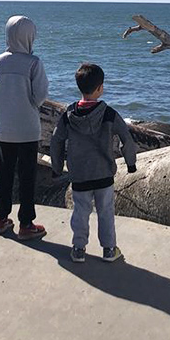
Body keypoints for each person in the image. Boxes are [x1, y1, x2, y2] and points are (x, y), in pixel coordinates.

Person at [50, 63, 137, 263]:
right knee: (106, 212)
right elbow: (127, 138)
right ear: (100, 88)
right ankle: (109, 249)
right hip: (104, 174)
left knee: (80, 211)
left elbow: (56, 140)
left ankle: (79, 248)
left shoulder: (69, 115)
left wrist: (56, 168)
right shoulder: (108, 114)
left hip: (79, 174)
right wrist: (130, 163)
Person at [0, 15, 49, 240]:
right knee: (27, 176)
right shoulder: (33, 63)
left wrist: (5, 108)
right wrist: (28, 105)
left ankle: (0, 218)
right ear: (29, 36)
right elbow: (41, 95)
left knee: (4, 174)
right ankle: (26, 223)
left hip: (4, 128)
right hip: (27, 129)